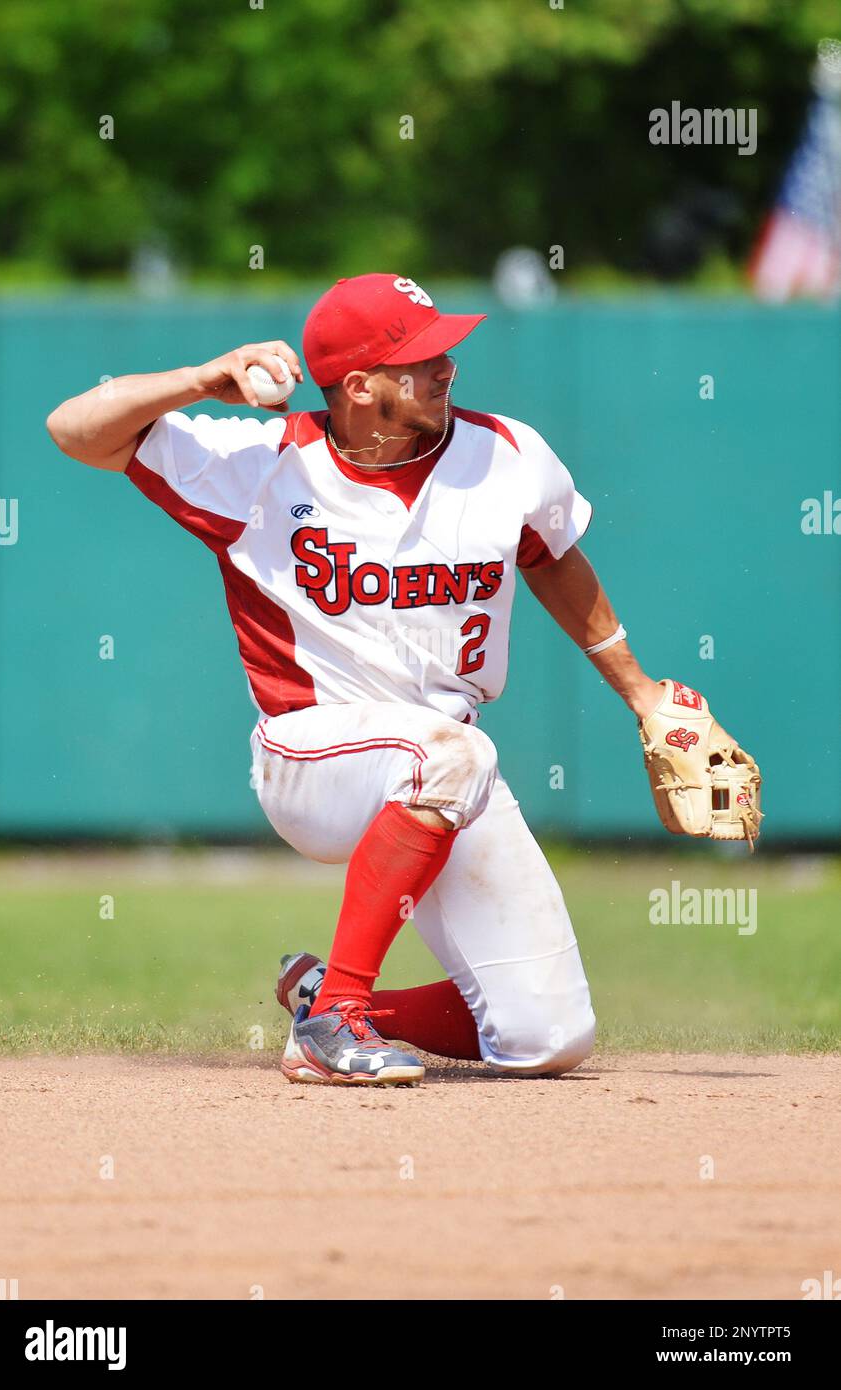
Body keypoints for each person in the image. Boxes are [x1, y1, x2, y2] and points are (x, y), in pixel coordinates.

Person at [46, 272, 667, 1087]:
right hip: (310, 753)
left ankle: (328, 1001)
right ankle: (331, 1024)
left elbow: (554, 562)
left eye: (445, 350)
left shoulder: (507, 456)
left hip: (447, 767)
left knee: (549, 1036)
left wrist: (644, 695)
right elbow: (74, 429)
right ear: (361, 386)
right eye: (422, 358)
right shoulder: (262, 464)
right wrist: (206, 378)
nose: (447, 367)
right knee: (450, 755)